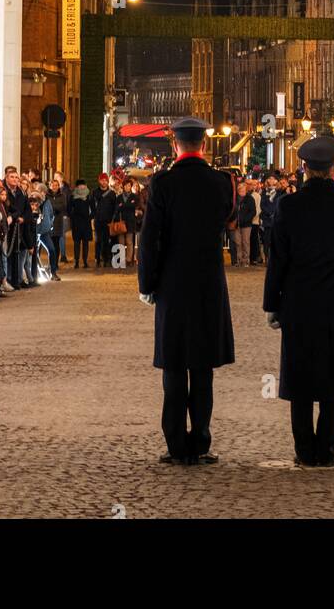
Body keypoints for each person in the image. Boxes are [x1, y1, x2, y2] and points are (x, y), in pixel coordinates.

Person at [263, 137, 334, 467]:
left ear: (304, 169)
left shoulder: (289, 206)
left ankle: (303, 448)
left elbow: (278, 259)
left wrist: (272, 303)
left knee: (300, 374)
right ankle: (327, 447)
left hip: (298, 298)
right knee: (333, 371)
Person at [138, 117, 236, 466]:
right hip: (208, 283)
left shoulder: (163, 183)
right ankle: (202, 441)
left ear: (175, 145)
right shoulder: (222, 182)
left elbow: (150, 240)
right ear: (204, 146)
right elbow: (229, 217)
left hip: (172, 284)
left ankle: (176, 444)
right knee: (203, 367)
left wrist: (147, 283)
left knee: (175, 367)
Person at [69, 179, 92, 268]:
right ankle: (76, 261)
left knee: (86, 243)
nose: (82, 187)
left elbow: (93, 208)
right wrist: (73, 217)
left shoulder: (89, 196)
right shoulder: (73, 196)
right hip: (77, 223)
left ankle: (85, 261)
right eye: (80, 185)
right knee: (76, 243)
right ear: (77, 187)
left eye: (84, 185)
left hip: (86, 222)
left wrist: (90, 217)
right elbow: (69, 208)